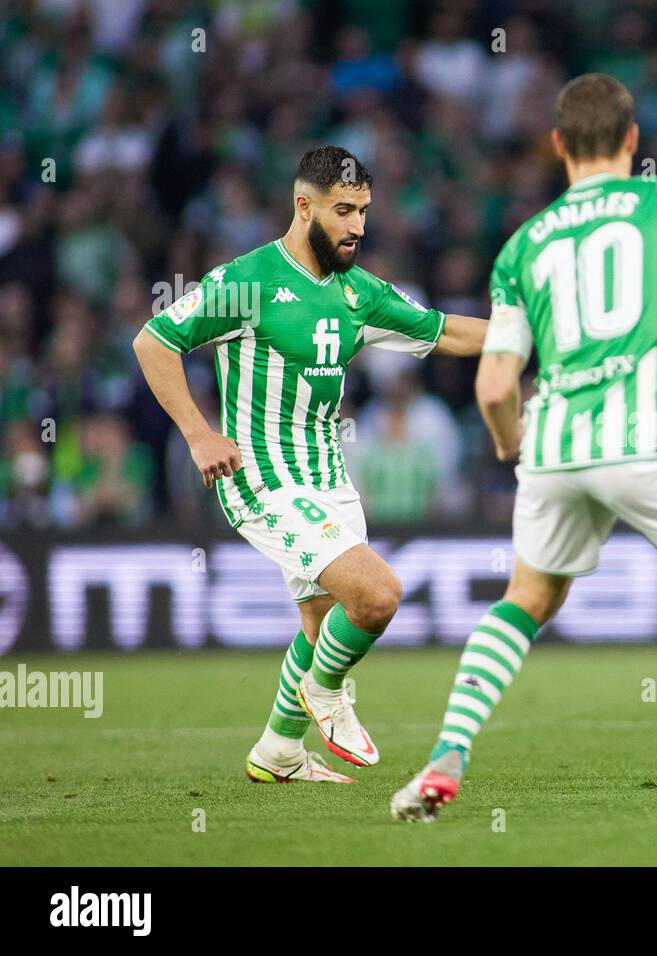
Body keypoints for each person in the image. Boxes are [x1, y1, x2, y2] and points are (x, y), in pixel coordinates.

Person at [391, 74, 657, 822]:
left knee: (528, 598)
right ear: (632, 140)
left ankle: (445, 757)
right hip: (642, 436)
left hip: (553, 445)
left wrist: (515, 449)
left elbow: (493, 387)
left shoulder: (523, 244)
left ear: (557, 146)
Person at [134, 146, 487, 783]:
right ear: (304, 206)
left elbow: (452, 333)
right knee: (377, 596)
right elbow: (153, 342)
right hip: (260, 477)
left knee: (321, 623)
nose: (358, 226)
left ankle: (278, 754)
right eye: (344, 210)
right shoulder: (245, 283)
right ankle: (325, 693)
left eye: (364, 212)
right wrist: (198, 434)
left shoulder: (359, 293)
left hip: (329, 477)